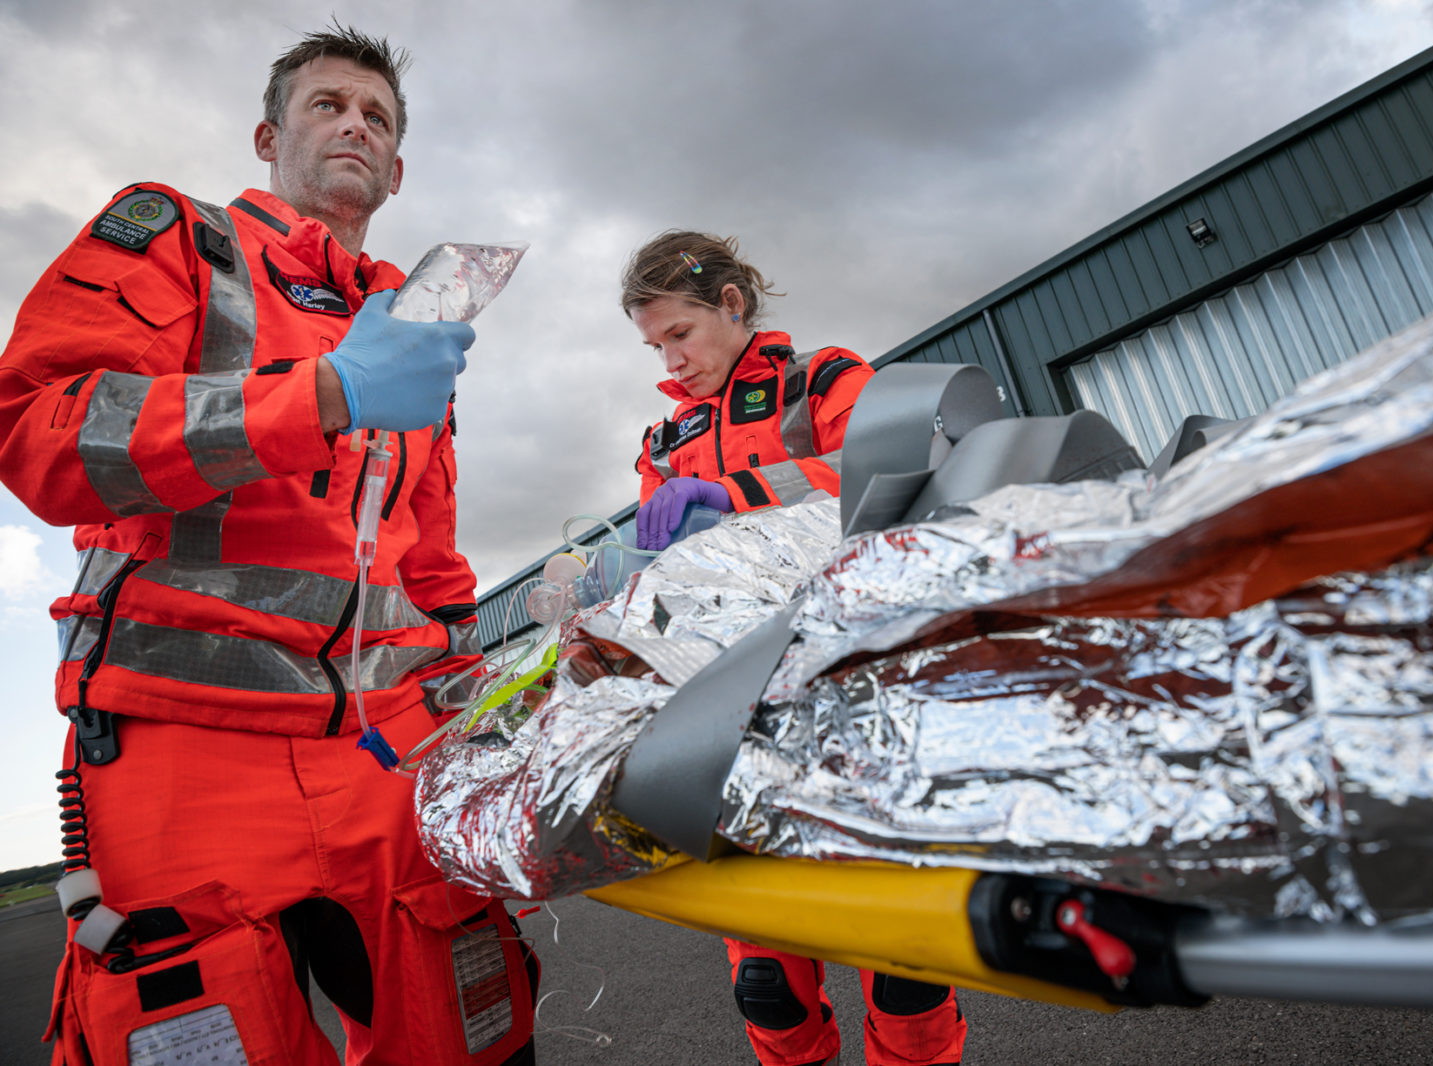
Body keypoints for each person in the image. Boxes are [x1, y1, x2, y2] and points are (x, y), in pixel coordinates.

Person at [0, 25, 537, 1065]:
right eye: (327, 105)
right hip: (184, 747)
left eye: (377, 117)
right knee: (193, 1021)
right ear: (267, 135)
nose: (355, 124)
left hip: (387, 753)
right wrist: (324, 395)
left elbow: (427, 565)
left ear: (397, 166)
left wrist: (496, 699)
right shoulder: (176, 240)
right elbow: (39, 432)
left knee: (471, 1029)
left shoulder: (418, 324)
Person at [622, 231, 968, 1066]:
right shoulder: (662, 445)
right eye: (654, 344)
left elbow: (903, 471)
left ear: (731, 306)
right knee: (768, 987)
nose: (670, 357)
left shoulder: (825, 381)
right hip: (733, 722)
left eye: (679, 334)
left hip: (856, 698)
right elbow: (654, 575)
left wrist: (735, 494)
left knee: (905, 970)